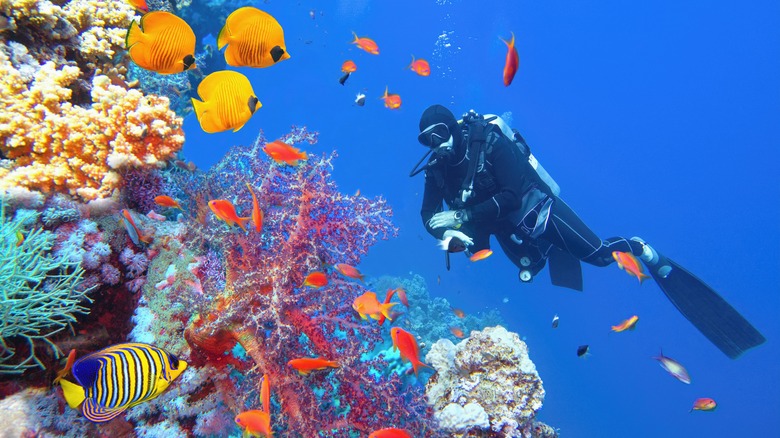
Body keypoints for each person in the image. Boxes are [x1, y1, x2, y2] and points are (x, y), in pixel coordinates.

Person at [411, 104, 765, 359]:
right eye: (427, 141)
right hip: (503, 226)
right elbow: (428, 214)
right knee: (529, 269)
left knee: (598, 257)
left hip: (538, 211)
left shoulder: (489, 143)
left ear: (453, 128)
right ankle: (547, 250)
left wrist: (462, 214)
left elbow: (511, 196)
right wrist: (448, 236)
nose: (436, 145)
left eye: (440, 134)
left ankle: (640, 247)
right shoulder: (437, 169)